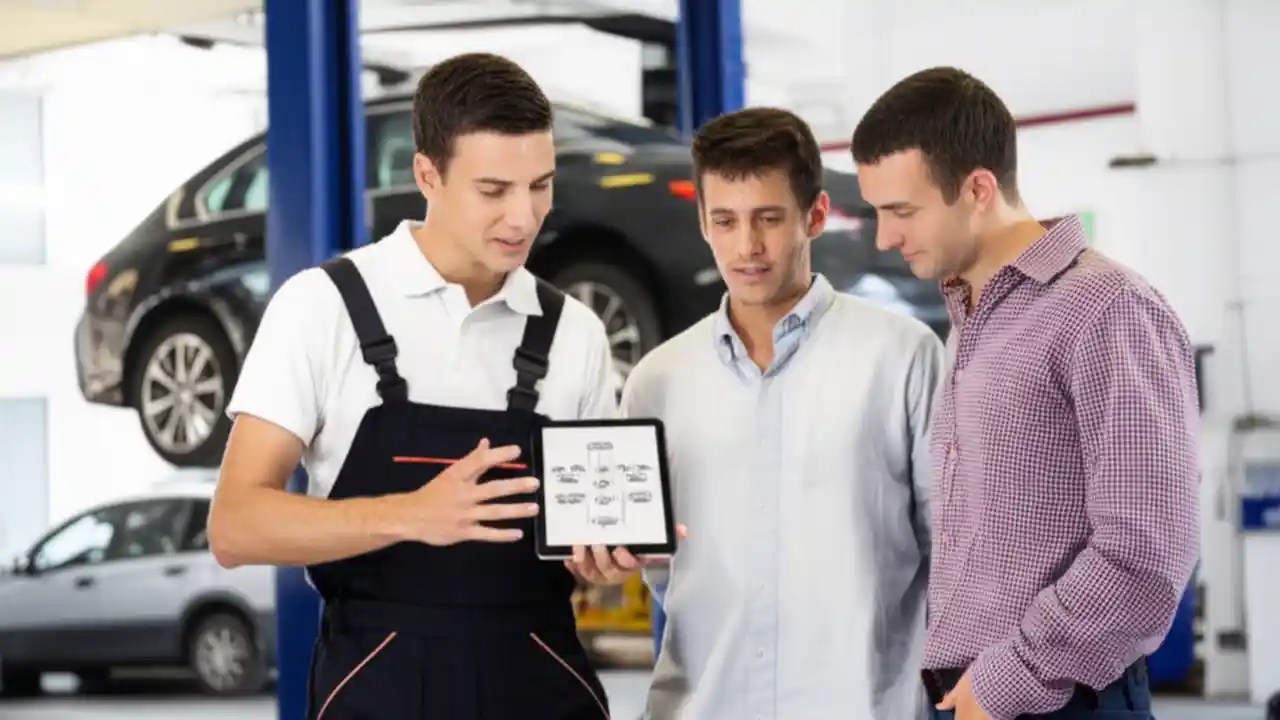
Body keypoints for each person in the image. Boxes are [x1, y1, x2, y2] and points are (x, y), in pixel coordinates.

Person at [207, 53, 617, 720]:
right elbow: (235, 527)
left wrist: (603, 560)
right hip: (378, 688)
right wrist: (412, 514)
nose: (523, 217)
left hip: (542, 686)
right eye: (493, 190)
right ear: (427, 174)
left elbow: (582, 549)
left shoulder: (576, 334)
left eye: (540, 185)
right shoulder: (321, 307)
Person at [568, 106, 944, 719]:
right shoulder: (656, 382)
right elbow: (651, 561)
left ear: (815, 215)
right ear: (703, 223)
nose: (747, 246)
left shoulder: (902, 358)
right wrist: (606, 559)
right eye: (726, 220)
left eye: (769, 218)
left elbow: (952, 553)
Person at [851, 66, 1201, 720]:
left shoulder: (1108, 310)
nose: (885, 237)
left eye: (901, 211)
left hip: (1061, 699)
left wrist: (1009, 677)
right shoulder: (971, 324)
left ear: (978, 188)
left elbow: (1148, 553)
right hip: (973, 694)